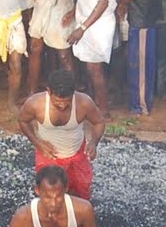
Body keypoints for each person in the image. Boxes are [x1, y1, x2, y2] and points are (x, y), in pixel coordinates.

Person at [16, 67, 104, 200]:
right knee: (51, 196)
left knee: (81, 194)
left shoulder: (84, 103)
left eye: (67, 102)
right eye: (57, 102)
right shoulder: (35, 103)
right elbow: (23, 121)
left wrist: (93, 142)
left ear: (73, 94)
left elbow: (99, 122)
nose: (62, 106)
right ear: (49, 92)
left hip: (77, 155)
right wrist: (37, 143)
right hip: (49, 157)